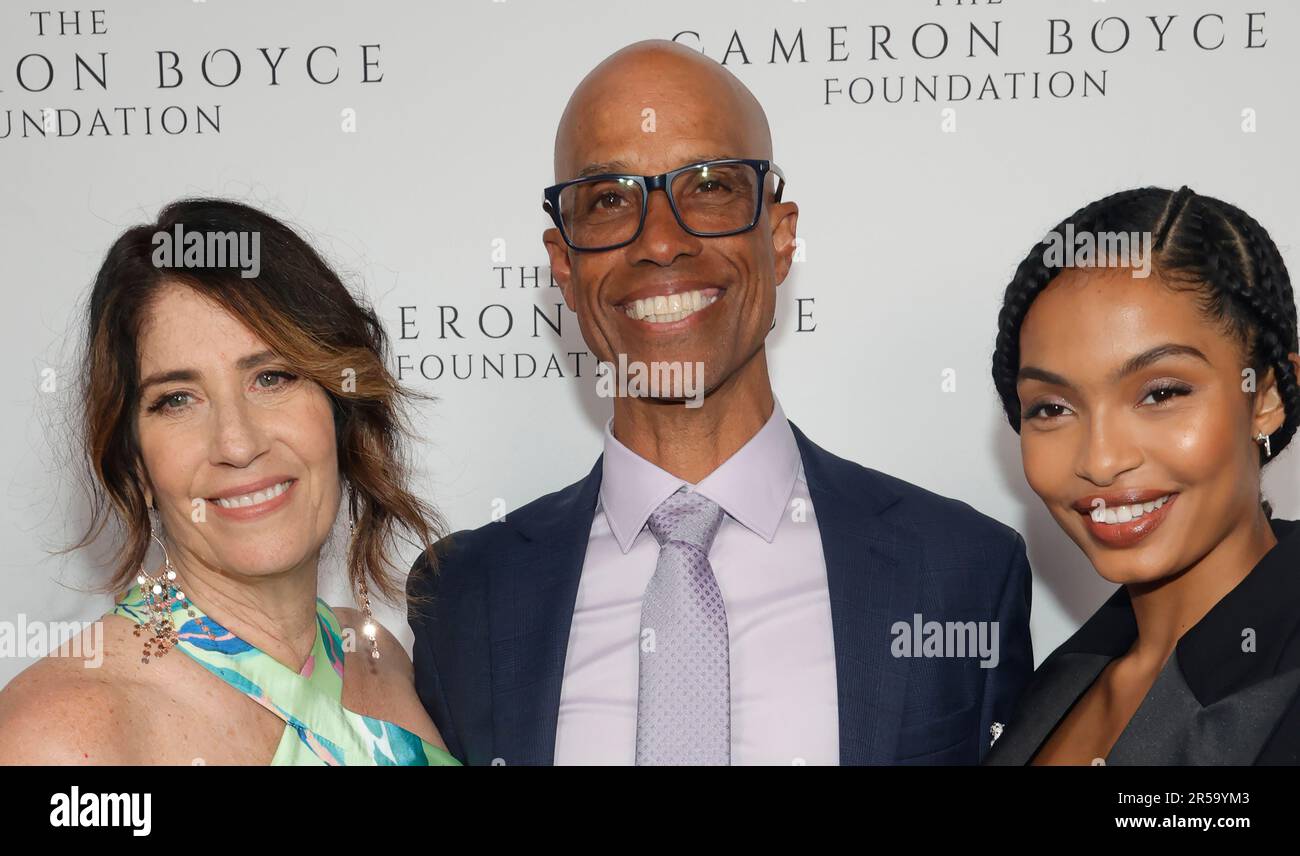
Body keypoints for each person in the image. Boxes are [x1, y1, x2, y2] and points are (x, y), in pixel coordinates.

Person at [408, 39, 1033, 765]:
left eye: (708, 186)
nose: (663, 243)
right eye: (610, 200)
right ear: (564, 267)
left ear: (779, 236)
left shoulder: (962, 571)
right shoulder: (460, 596)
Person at [0, 198, 459, 766]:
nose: (238, 444)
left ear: (339, 410)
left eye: (272, 377)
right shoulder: (61, 736)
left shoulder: (377, 658)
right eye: (176, 400)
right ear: (135, 461)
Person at [985, 186, 1300, 765]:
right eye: (1053, 407)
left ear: (1268, 397)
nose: (1100, 461)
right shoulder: (1051, 688)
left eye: (1160, 393)